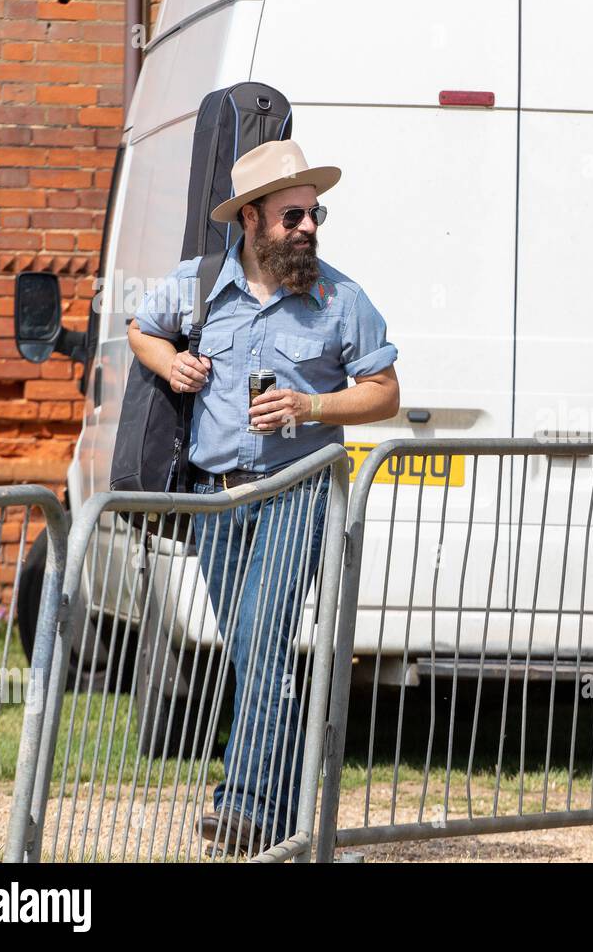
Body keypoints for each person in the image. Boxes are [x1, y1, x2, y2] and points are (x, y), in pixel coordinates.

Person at [129, 139, 400, 854]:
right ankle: (277, 820)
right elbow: (139, 329)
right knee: (253, 655)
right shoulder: (198, 284)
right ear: (249, 220)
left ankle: (241, 803)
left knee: (263, 641)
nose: (307, 228)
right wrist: (174, 361)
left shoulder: (341, 298)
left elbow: (385, 392)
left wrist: (311, 410)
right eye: (291, 218)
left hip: (296, 495)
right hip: (218, 501)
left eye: (314, 215)